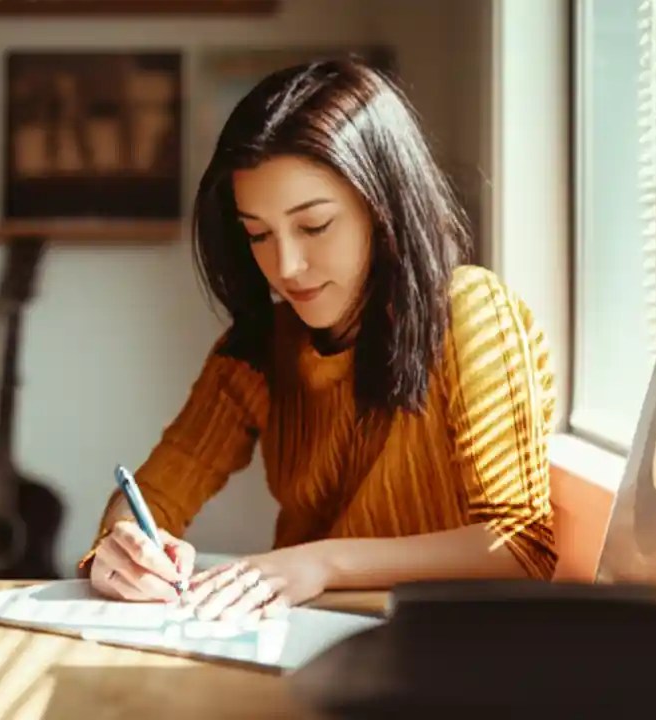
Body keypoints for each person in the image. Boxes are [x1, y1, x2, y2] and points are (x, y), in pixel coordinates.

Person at [79, 57, 557, 622]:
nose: (286, 265)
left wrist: (319, 565)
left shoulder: (470, 313)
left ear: (384, 207)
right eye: (257, 233)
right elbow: (154, 492)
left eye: (314, 226)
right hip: (301, 641)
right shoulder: (257, 353)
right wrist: (124, 545)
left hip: (440, 652)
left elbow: (520, 545)